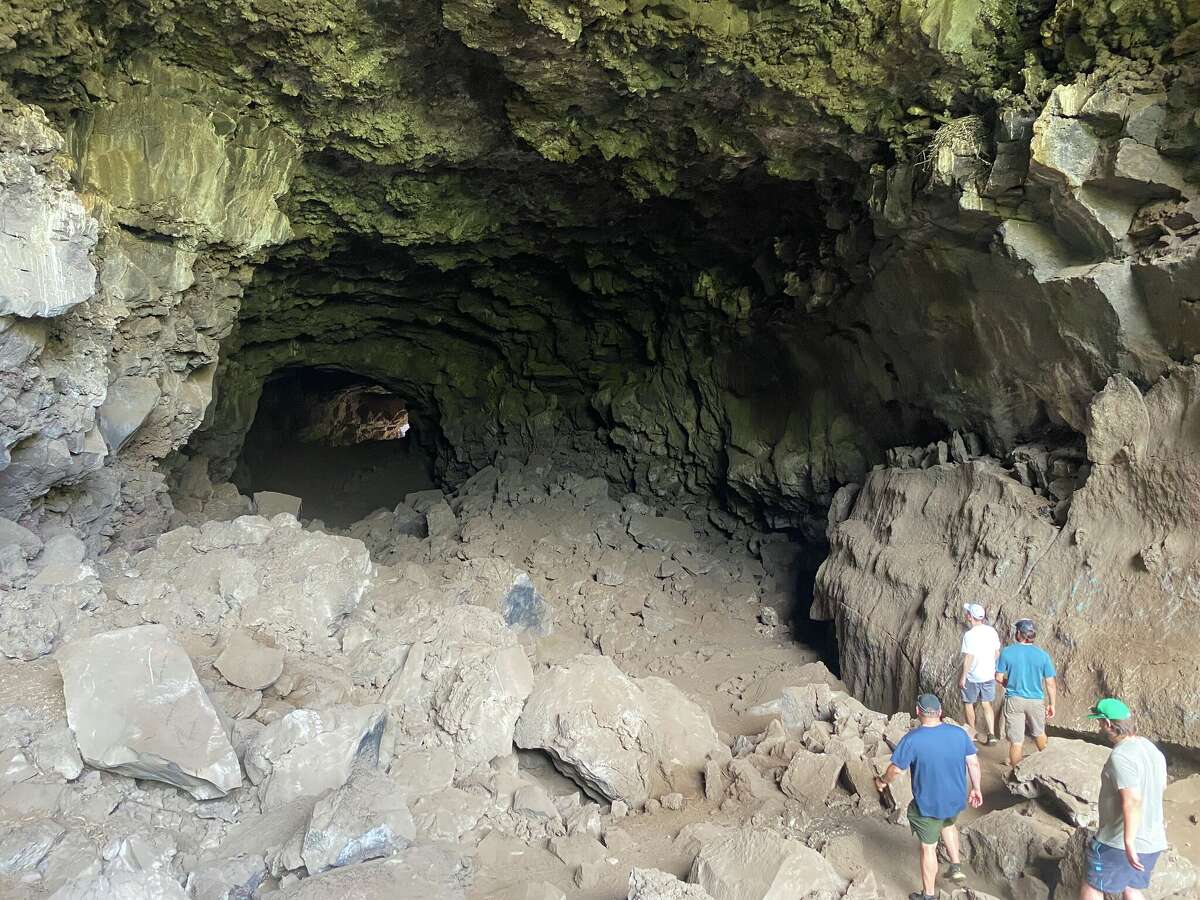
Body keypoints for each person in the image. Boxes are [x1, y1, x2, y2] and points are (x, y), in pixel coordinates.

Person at [875, 693, 984, 900]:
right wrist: (976, 788)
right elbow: (973, 763)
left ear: (918, 712)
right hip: (955, 798)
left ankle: (929, 895)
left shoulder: (912, 739)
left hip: (929, 804)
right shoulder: (959, 734)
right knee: (948, 825)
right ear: (940, 712)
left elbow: (896, 770)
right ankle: (955, 865)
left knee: (928, 847)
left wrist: (882, 781)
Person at [1080, 698, 1168, 900]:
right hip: (1153, 840)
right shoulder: (1151, 749)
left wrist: (1129, 842)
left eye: (1100, 723)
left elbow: (1133, 800)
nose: (1099, 727)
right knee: (1131, 888)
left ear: (1109, 724)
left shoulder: (1121, 756)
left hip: (1119, 842)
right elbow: (1160, 787)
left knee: (1093, 885)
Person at [995, 618, 1057, 767]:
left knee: (1016, 742)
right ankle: (1050, 767)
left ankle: (1017, 776)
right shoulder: (1043, 655)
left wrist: (1008, 683)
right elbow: (1050, 683)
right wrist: (1052, 704)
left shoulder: (1007, 652)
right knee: (1039, 734)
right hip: (1036, 700)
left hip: (1014, 700)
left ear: (1019, 634)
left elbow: (998, 677)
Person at [959, 603, 1001, 745]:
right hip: (989, 675)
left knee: (968, 703)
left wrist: (963, 676)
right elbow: (996, 653)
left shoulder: (969, 635)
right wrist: (989, 664)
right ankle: (992, 735)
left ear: (970, 617)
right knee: (986, 704)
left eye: (967, 613)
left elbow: (968, 658)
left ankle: (973, 734)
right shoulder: (992, 632)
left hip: (973, 676)